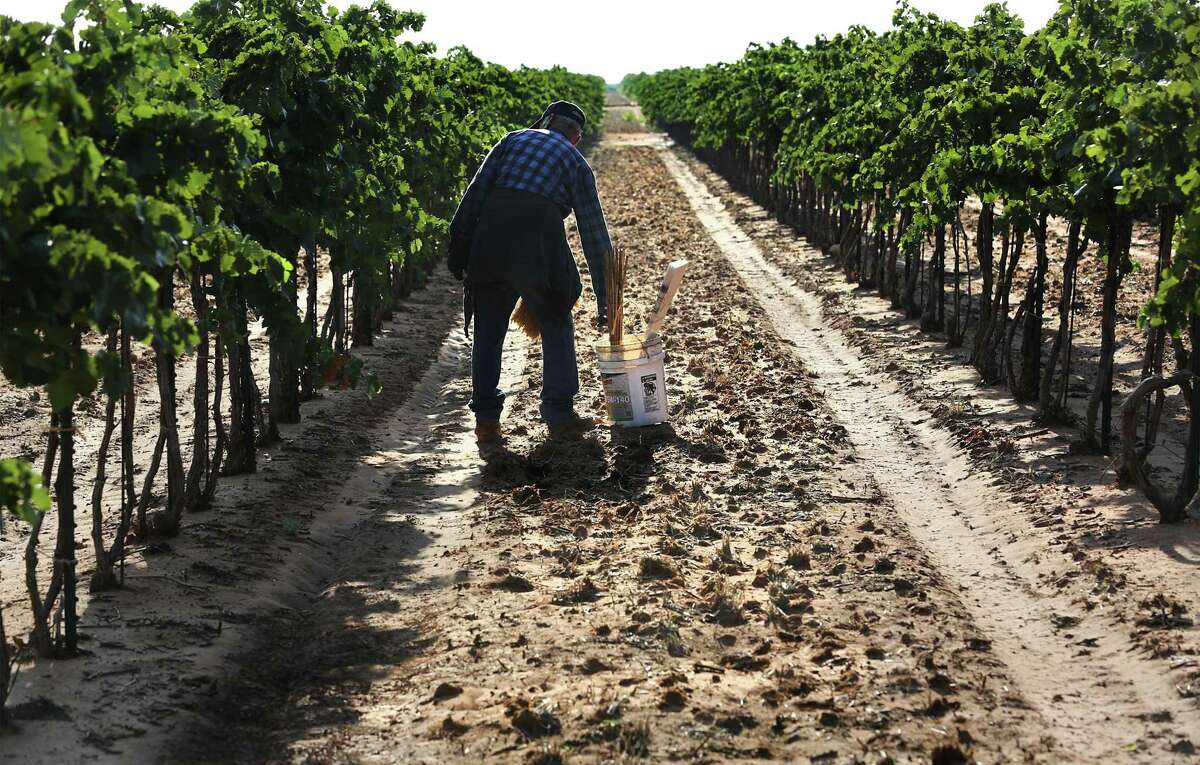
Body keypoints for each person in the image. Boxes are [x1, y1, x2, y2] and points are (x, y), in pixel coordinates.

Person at [448, 100, 611, 444]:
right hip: (539, 245)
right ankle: (559, 413)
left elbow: (475, 194)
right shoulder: (576, 162)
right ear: (576, 138)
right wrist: (606, 298)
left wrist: (459, 245)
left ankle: (486, 420)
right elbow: (594, 234)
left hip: (491, 239)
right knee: (556, 320)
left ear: (546, 121)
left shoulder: (513, 139)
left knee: (489, 328)